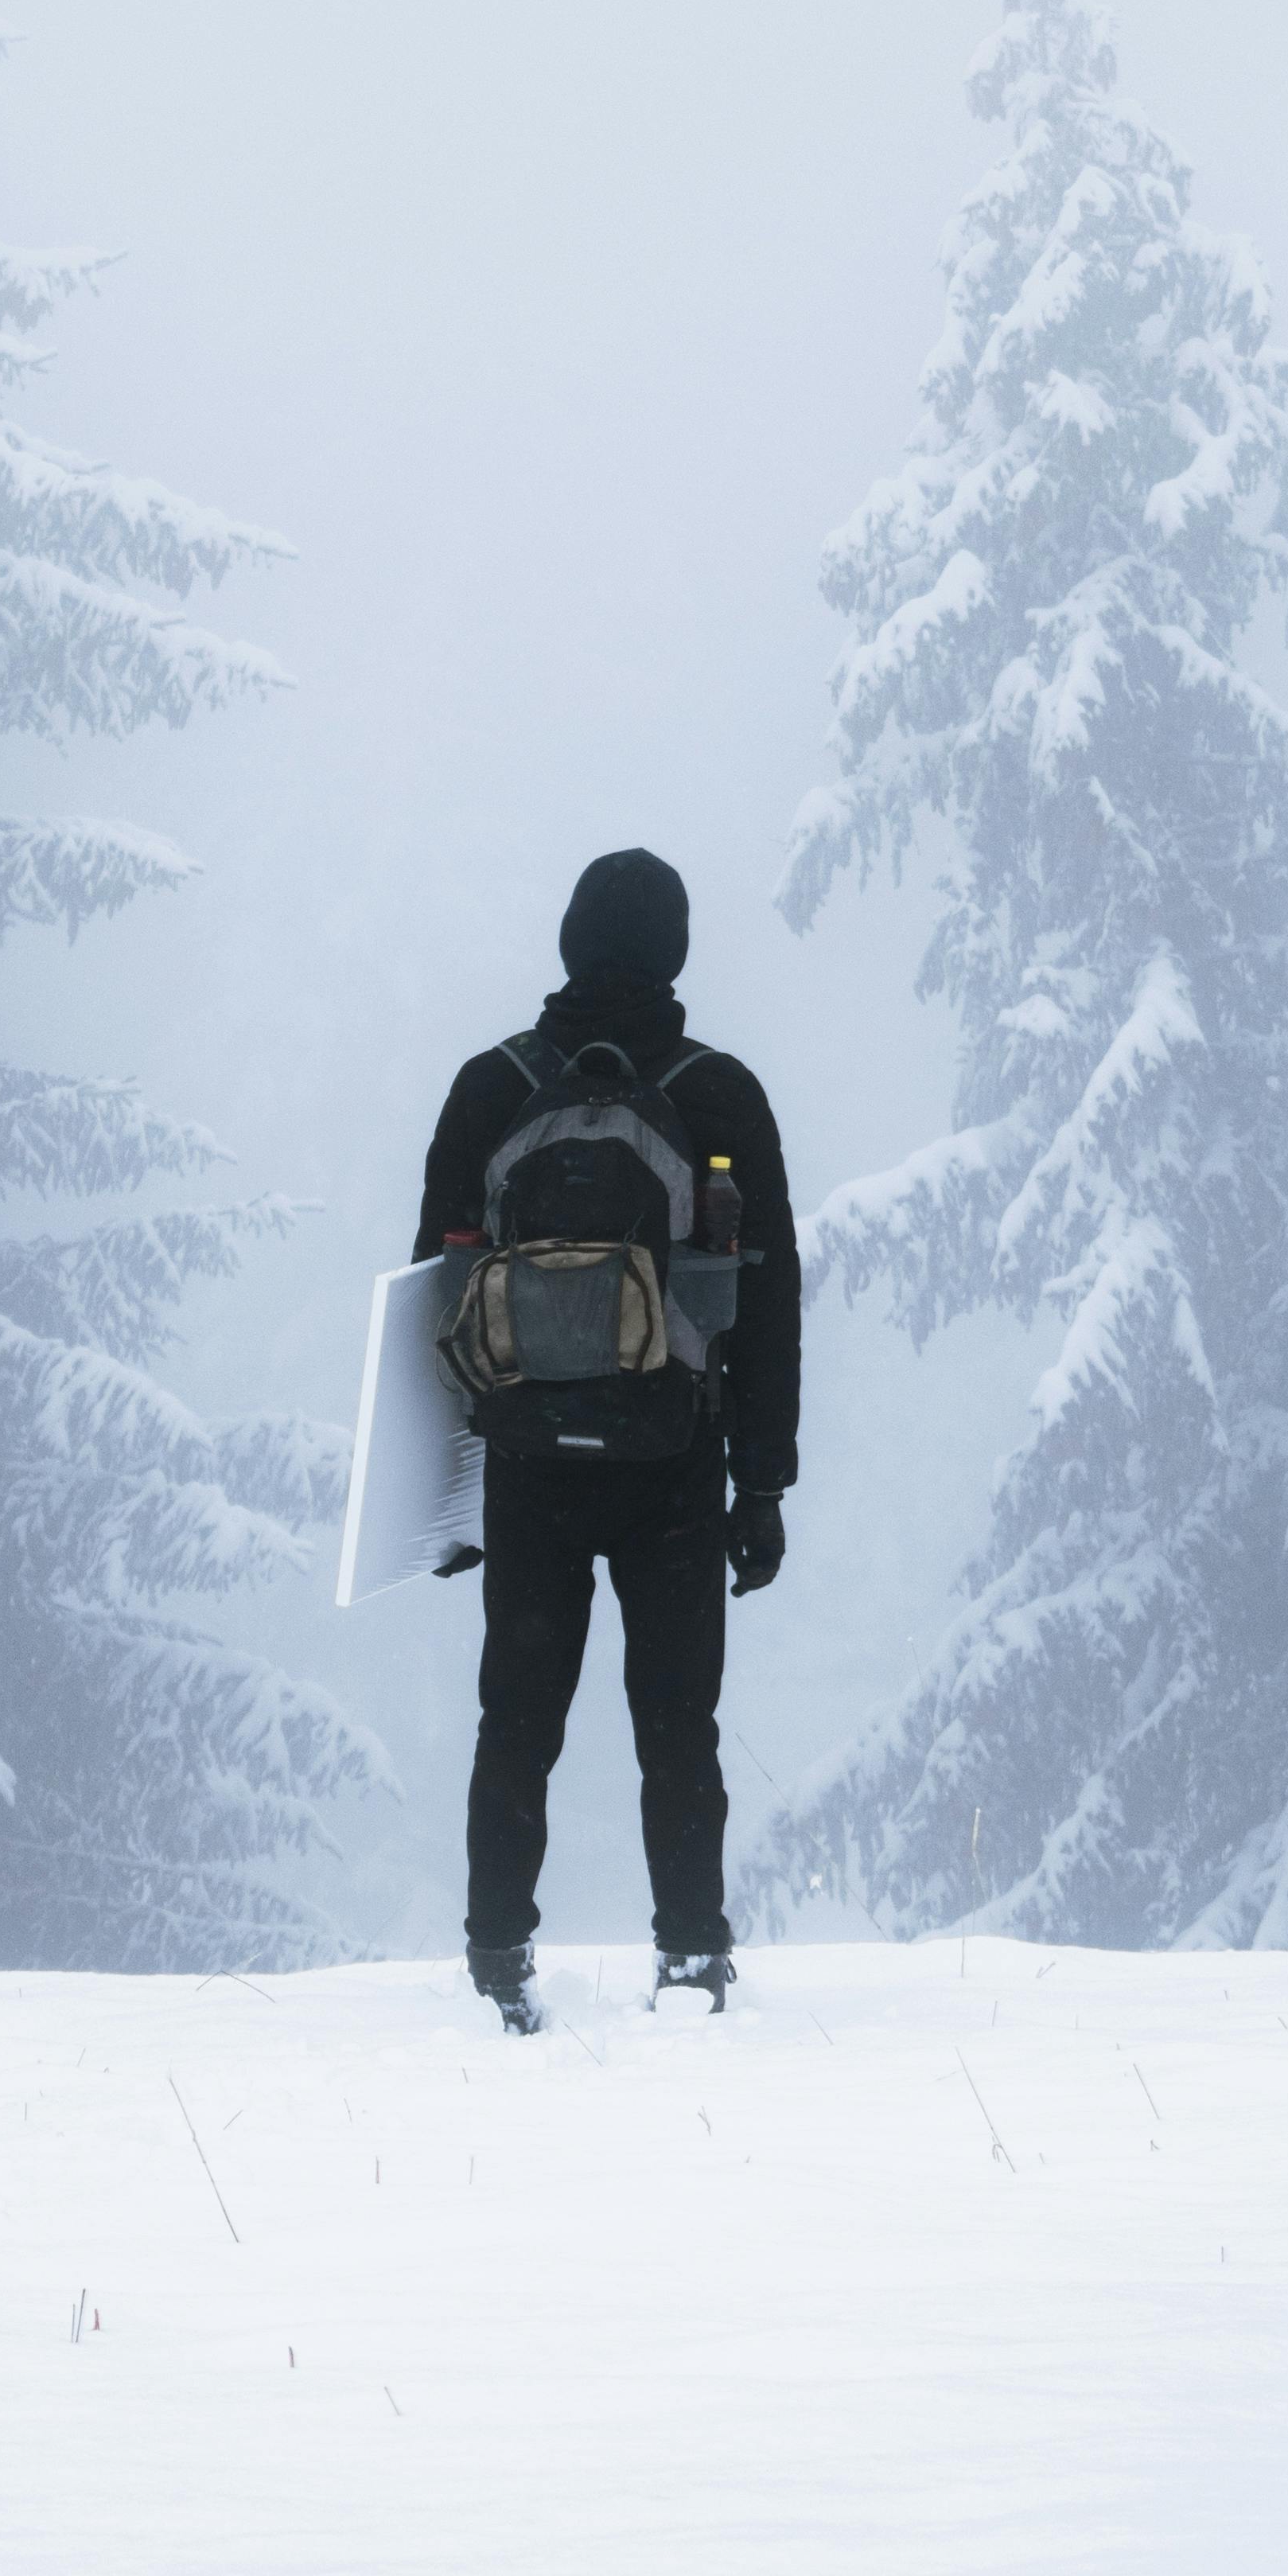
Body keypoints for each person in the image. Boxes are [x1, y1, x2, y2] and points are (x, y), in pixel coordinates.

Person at [414, 845, 799, 2028]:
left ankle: (496, 1962)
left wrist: (442, 1494)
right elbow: (771, 1295)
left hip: (530, 1464)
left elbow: (436, 1291)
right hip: (673, 1463)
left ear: (570, 940)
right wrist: (762, 1483)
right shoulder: (718, 1092)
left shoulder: (493, 1086)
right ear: (675, 950)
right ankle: (689, 1958)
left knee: (516, 1719)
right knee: (678, 1723)